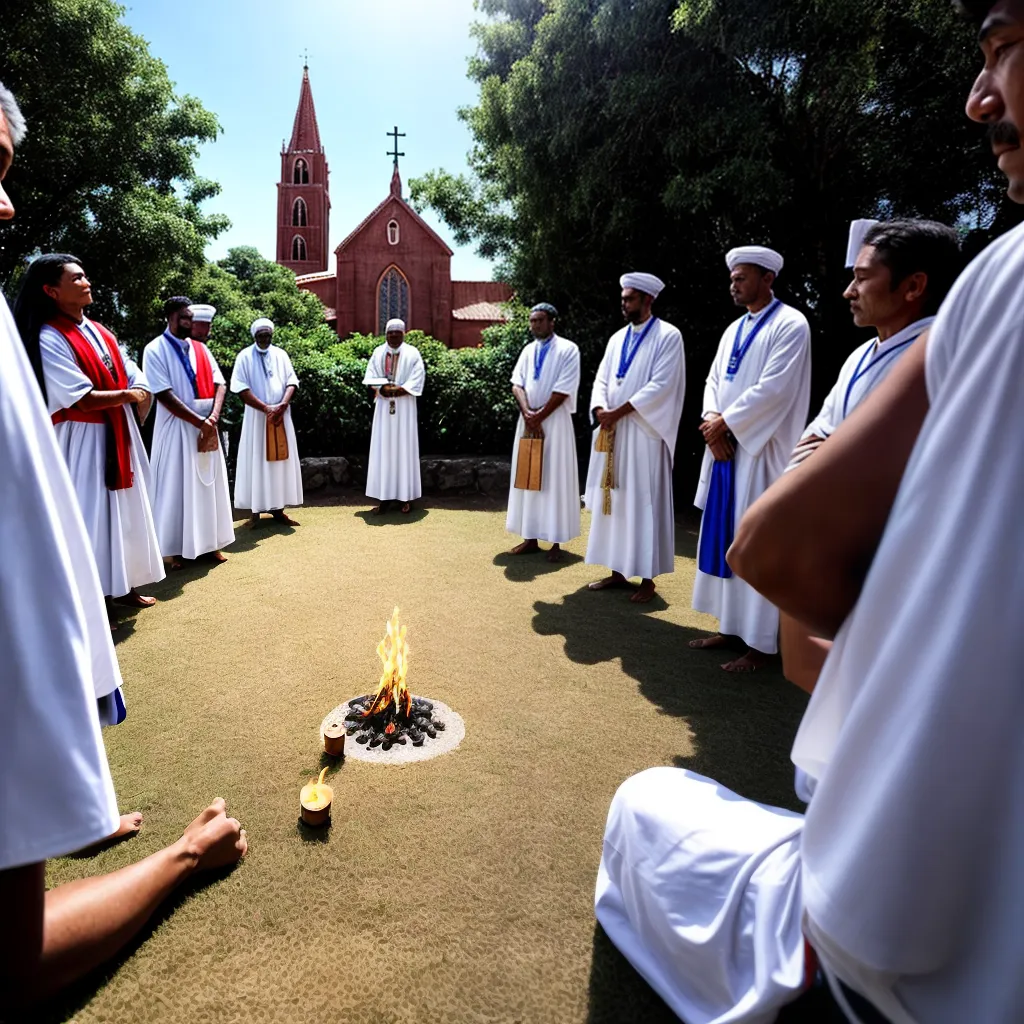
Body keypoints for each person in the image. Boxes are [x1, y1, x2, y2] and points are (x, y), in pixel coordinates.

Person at [596, 4, 1024, 1019]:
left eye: (1002, 43)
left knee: (643, 803)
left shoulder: (998, 288)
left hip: (897, 925)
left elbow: (781, 544)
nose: (979, 95)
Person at [0, 81, 247, 1012]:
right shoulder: (49, 335)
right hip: (96, 444)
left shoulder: (91, 330)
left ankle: (65, 802)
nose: (9, 205)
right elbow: (90, 397)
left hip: (124, 446)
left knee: (109, 539)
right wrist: (184, 857)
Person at [781, 220, 961, 694]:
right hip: (844, 543)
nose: (848, 291)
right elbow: (819, 433)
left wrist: (829, 458)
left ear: (914, 286)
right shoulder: (863, 354)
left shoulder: (943, 357)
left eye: (862, 277)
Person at [13, 255, 164, 632]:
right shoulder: (49, 336)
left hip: (115, 430)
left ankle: (123, 585)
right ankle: (92, 601)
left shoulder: (98, 330)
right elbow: (81, 397)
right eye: (76, 278)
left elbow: (128, 368)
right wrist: (132, 395)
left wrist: (136, 388)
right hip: (83, 441)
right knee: (91, 519)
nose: (86, 281)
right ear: (51, 291)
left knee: (125, 512)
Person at [689, 246, 811, 671]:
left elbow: (775, 389)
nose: (733, 284)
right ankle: (729, 628)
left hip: (763, 455)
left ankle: (761, 645)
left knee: (757, 542)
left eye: (742, 277)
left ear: (767, 278)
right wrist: (710, 424)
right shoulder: (733, 329)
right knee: (728, 535)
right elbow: (712, 380)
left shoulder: (791, 324)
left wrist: (724, 426)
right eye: (732, 278)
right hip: (727, 450)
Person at [584, 273, 686, 604]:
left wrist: (619, 411)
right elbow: (601, 378)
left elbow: (661, 386)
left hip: (644, 434)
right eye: (623, 298)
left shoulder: (668, 336)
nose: (624, 303)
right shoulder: (617, 339)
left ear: (647, 300)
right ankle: (616, 571)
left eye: (629, 298)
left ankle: (647, 579)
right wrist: (601, 407)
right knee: (614, 502)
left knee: (643, 503)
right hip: (613, 431)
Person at [142, 298, 234, 569]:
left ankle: (209, 544)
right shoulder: (154, 349)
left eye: (191, 318)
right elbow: (162, 393)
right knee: (176, 486)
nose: (189, 322)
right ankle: (174, 550)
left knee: (208, 485)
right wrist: (198, 421)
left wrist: (213, 417)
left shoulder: (201, 349)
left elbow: (220, 383)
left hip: (207, 423)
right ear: (171, 316)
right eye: (184, 317)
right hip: (176, 428)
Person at [506, 303, 581, 561]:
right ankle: (530, 538)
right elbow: (517, 383)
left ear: (552, 321)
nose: (534, 325)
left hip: (555, 423)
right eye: (532, 321)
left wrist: (539, 416)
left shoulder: (568, 349)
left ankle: (558, 543)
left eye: (539, 320)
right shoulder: (528, 350)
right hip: (527, 422)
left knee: (555, 479)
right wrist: (528, 413)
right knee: (529, 477)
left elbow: (564, 389)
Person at [230, 317, 303, 527]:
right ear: (254, 336)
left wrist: (282, 405)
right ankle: (255, 513)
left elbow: (292, 381)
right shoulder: (244, 356)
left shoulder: (281, 354)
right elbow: (240, 389)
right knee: (257, 461)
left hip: (281, 415)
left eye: (267, 335)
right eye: (261, 335)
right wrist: (265, 408)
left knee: (280, 462)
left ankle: (278, 509)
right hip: (257, 418)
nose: (264, 338)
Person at [362, 318, 425, 515]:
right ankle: (384, 498)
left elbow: (418, 377)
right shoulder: (378, 352)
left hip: (404, 407)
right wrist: (383, 389)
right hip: (383, 406)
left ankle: (405, 497)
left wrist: (399, 390)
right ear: (386, 333)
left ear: (404, 334)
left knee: (403, 449)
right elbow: (370, 375)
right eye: (391, 333)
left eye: (398, 333)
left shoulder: (412, 353)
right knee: (384, 451)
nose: (394, 336)